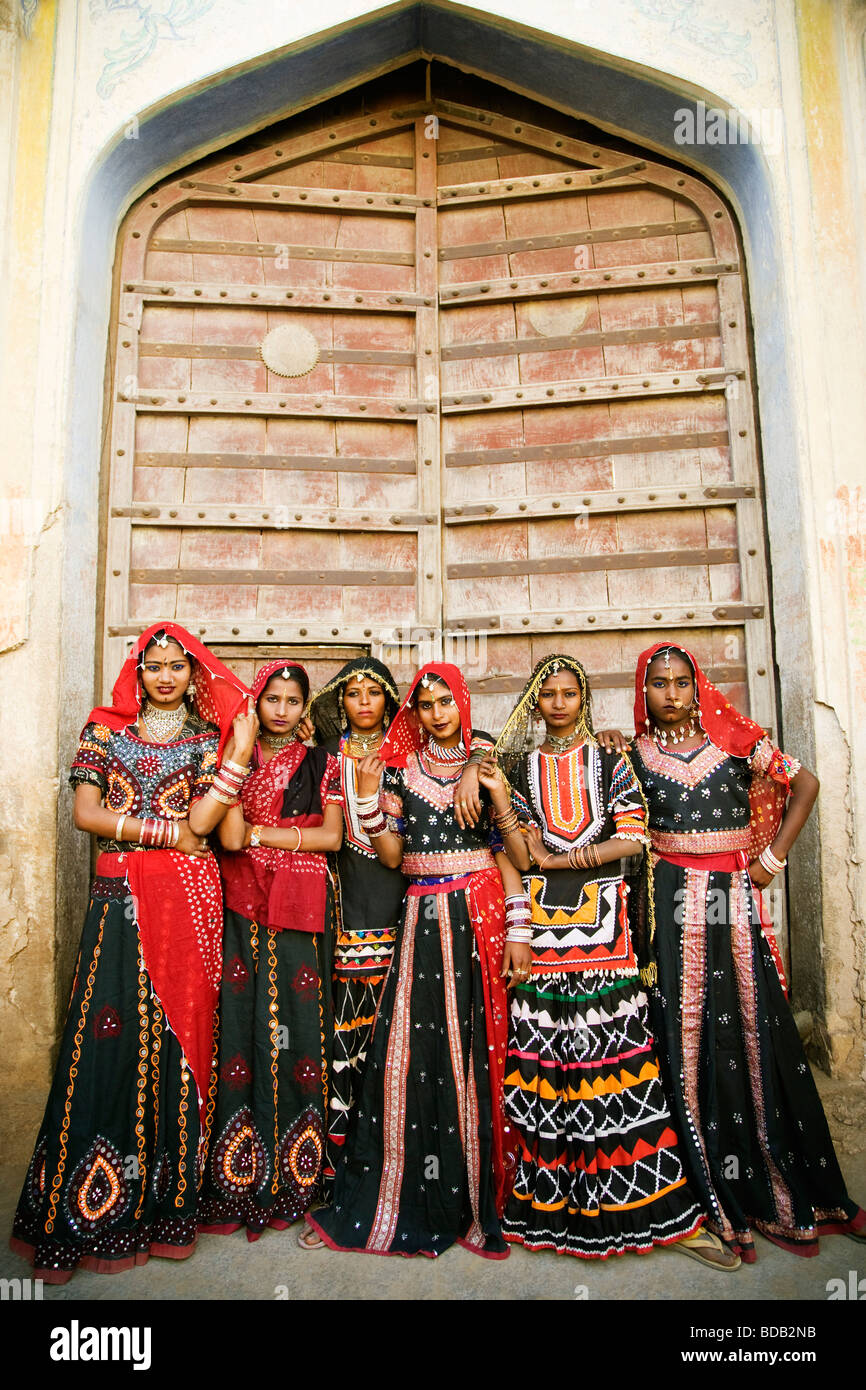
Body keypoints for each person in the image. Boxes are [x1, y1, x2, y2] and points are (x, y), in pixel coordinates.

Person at [10, 622, 256, 1283]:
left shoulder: (209, 742)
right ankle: (88, 1211)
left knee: (180, 1046)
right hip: (119, 898)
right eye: (155, 666)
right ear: (138, 671)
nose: (167, 675)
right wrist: (163, 832)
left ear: (192, 674)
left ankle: (166, 1210)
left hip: (187, 900)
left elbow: (208, 828)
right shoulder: (103, 731)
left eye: (179, 665)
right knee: (105, 1039)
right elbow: (85, 815)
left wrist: (239, 748)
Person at [622, 641, 865, 1261]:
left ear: (696, 685)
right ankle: (708, 1193)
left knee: (755, 1031)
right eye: (658, 684)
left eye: (680, 682)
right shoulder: (632, 754)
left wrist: (772, 858)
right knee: (687, 1038)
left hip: (733, 902)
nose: (671, 694)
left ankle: (785, 1189)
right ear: (643, 691)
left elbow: (805, 783)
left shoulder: (737, 740)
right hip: (671, 907)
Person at [489, 654, 730, 1266]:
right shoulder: (518, 766)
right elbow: (517, 850)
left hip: (606, 932)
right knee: (550, 1068)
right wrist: (499, 801)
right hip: (542, 933)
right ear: (535, 702)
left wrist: (567, 859)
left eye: (570, 693)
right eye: (548, 694)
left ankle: (654, 1212)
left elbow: (634, 836)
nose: (560, 703)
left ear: (585, 698)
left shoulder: (611, 761)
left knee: (618, 1066)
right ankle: (554, 1210)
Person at [304, 663, 531, 1258]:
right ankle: (402, 1193)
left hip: (480, 911)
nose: (437, 714)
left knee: (481, 1048)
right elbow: (393, 857)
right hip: (423, 917)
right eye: (425, 705)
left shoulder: (486, 765)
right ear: (416, 712)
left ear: (462, 704)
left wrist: (519, 929)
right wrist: (365, 801)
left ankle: (481, 1198)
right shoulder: (400, 772)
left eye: (446, 702)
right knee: (413, 1051)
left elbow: (516, 856)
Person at [198, 661, 343, 1239]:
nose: (280, 710)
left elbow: (332, 838)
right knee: (243, 1025)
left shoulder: (323, 762)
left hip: (301, 908)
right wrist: (282, 838)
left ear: (305, 707)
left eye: (291, 701)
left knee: (301, 1028)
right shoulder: (233, 755)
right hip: (240, 904)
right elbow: (229, 838)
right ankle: (241, 1172)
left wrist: (263, 835)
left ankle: (299, 1173)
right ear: (255, 703)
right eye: (271, 699)